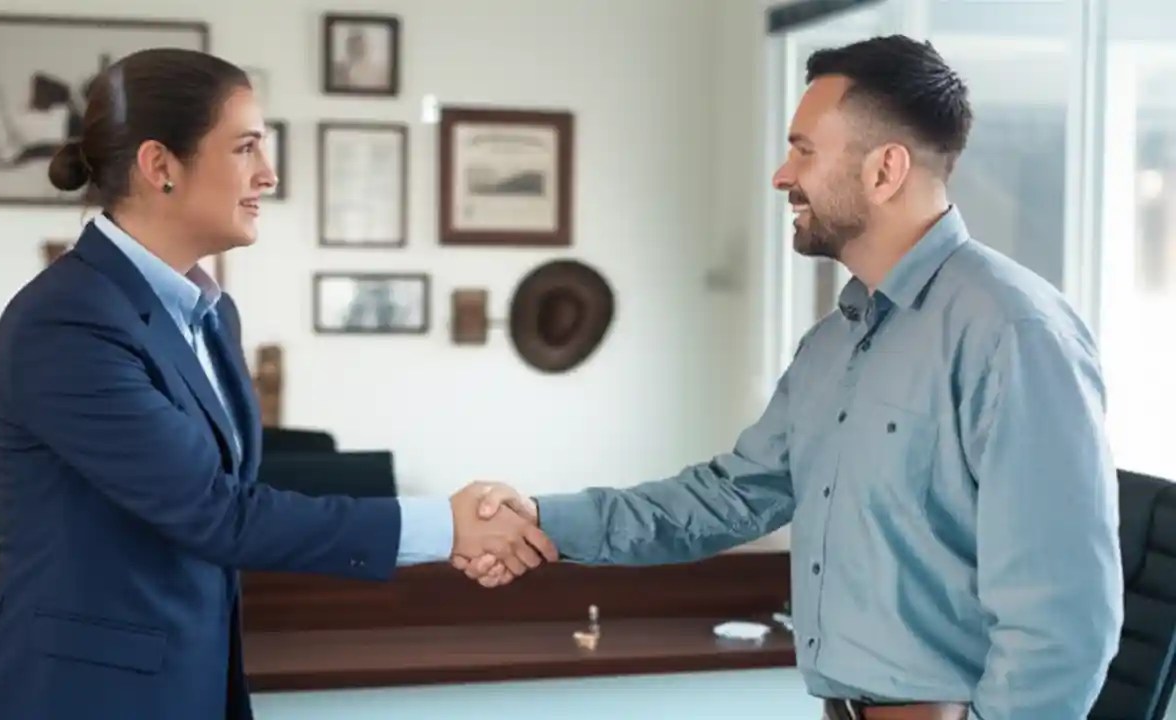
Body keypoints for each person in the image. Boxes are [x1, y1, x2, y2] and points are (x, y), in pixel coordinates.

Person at [456, 35, 1124, 720]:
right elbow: (726, 499)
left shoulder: (1014, 331)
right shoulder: (833, 345)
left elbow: (1063, 620)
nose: (782, 175)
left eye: (804, 149)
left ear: (885, 170)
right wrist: (541, 520)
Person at [0, 48, 555, 720]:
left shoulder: (210, 314)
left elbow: (241, 496)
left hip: (187, 686)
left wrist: (446, 522)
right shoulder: (67, 321)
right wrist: (444, 526)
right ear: (160, 167)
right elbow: (214, 511)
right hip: (76, 698)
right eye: (246, 149)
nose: (268, 176)